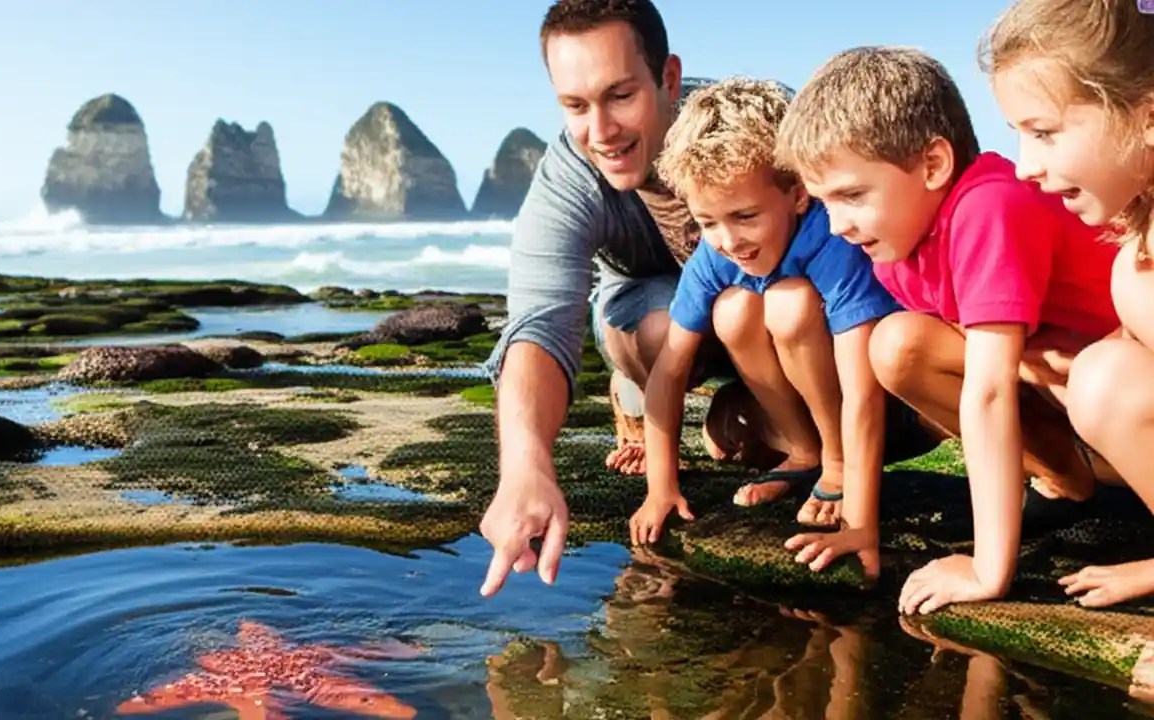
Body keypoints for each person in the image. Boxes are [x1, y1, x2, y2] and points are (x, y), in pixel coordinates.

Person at [774, 46, 1122, 615]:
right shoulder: (897, 245)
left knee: (1090, 379)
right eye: (825, 202)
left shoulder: (988, 207)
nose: (837, 225)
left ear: (933, 165)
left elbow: (987, 391)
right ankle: (1067, 481)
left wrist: (989, 570)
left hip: (1125, 385)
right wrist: (860, 524)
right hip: (1077, 392)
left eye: (853, 196)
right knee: (897, 346)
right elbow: (877, 382)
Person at [479, 0, 773, 598]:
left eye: (619, 96)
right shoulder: (571, 171)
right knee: (669, 322)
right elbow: (539, 323)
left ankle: (751, 400)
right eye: (576, 106)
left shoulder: (748, 129)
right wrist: (525, 466)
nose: (602, 131)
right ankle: (635, 388)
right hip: (652, 310)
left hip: (760, 310)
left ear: (667, 79)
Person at [629, 76, 930, 548]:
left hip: (891, 413)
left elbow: (863, 387)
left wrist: (859, 520)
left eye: (746, 217)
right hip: (813, 410)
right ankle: (802, 451)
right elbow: (668, 372)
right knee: (732, 310)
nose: (729, 241)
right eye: (708, 223)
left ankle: (833, 461)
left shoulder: (833, 240)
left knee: (790, 302)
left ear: (797, 193)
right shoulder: (715, 256)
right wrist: (660, 487)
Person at [982, 0, 1154, 609]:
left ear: (1147, 116)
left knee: (1107, 375)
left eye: (1045, 131)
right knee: (1102, 372)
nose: (1025, 167)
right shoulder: (1138, 245)